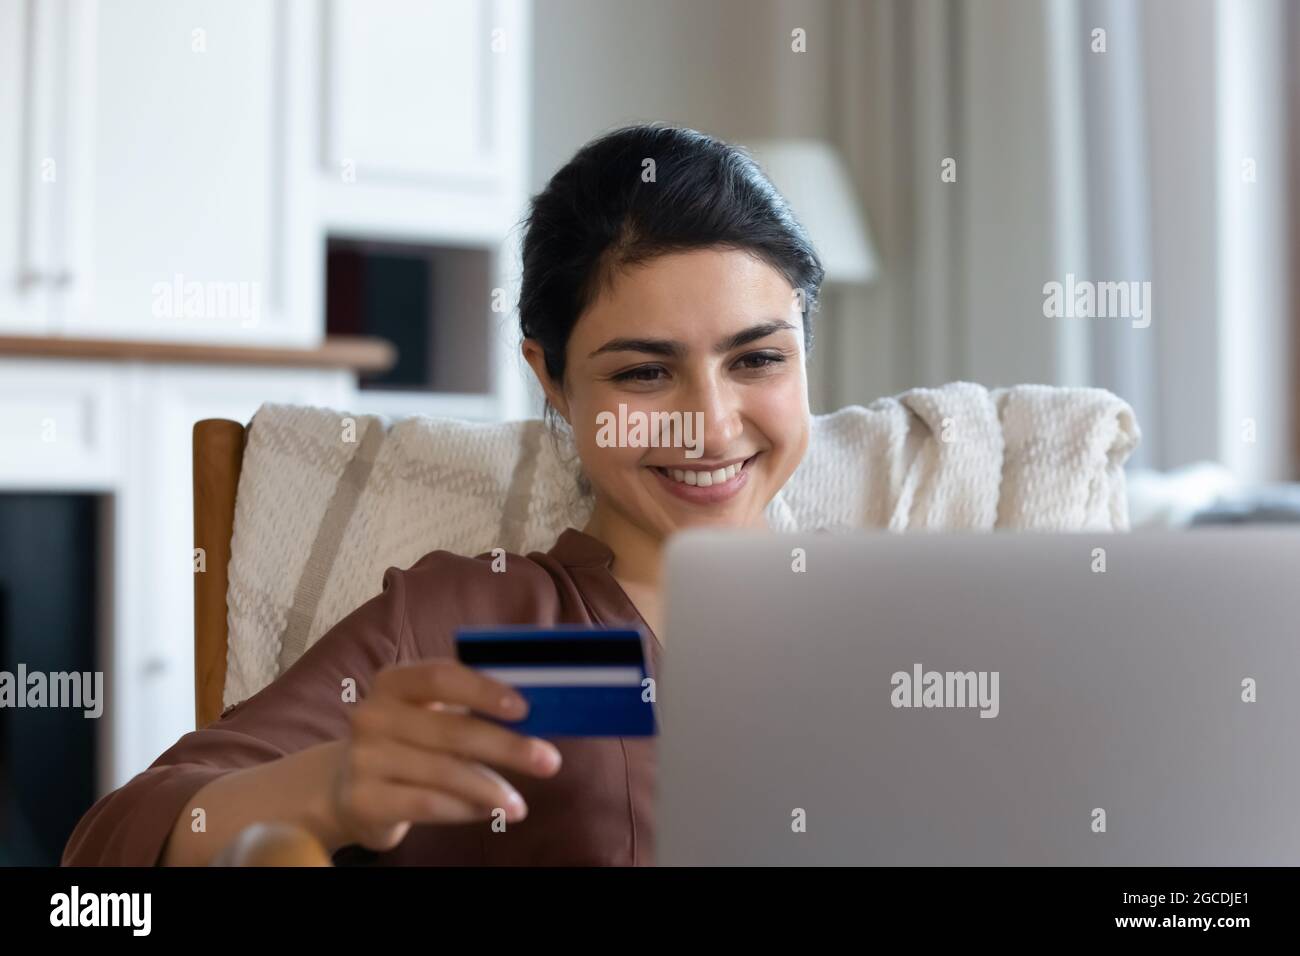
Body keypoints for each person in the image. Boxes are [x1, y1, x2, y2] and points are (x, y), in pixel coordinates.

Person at [62, 123, 824, 866]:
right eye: (643, 373)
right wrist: (329, 789)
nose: (712, 425)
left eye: (757, 358)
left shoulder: (875, 630)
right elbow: (112, 842)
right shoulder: (495, 632)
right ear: (552, 380)